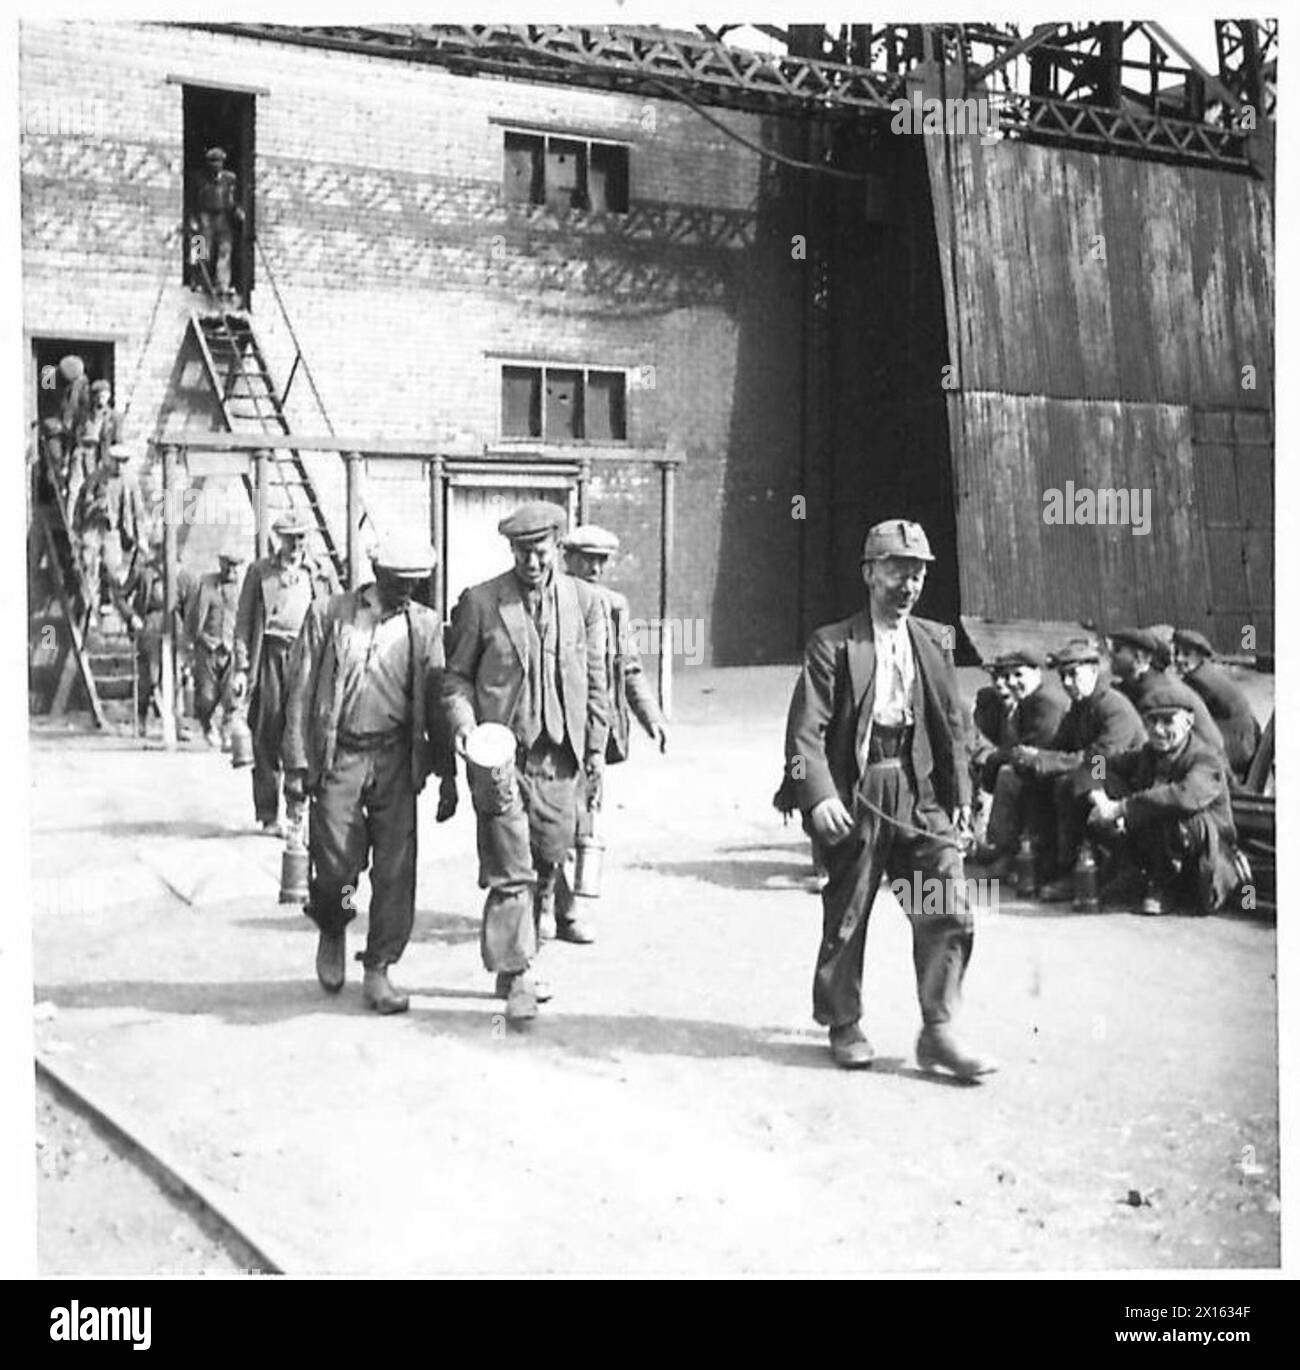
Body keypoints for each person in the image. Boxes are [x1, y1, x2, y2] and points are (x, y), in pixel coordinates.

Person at [783, 518, 993, 1078]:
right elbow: (806, 731)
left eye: (918, 574)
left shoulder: (934, 639)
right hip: (861, 787)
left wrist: (963, 799)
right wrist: (819, 795)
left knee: (944, 902)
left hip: (919, 787)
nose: (908, 586)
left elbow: (953, 723)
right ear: (869, 574)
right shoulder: (833, 644)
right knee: (849, 911)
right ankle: (843, 1020)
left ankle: (940, 1028)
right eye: (897, 572)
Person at [441, 501, 609, 1024]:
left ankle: (521, 953)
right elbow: (454, 679)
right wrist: (464, 725)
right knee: (509, 866)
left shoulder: (584, 602)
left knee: (549, 859)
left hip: (560, 758)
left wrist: (597, 752)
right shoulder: (482, 602)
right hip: (501, 758)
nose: (530, 563)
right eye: (520, 552)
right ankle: (517, 973)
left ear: (558, 547)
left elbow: (596, 680)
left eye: (539, 552)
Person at [282, 535, 449, 1012]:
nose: (404, 592)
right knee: (337, 867)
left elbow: (437, 700)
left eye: (414, 584)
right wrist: (296, 765)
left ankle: (379, 968)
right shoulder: (329, 614)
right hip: (341, 755)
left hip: (395, 758)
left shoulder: (425, 625)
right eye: (397, 581)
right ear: (377, 573)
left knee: (396, 870)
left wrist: (446, 775)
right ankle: (334, 924)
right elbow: (300, 688)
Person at [552, 522, 667, 943]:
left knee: (584, 824)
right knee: (554, 824)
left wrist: (651, 716)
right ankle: (557, 908)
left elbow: (629, 668)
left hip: (594, 733)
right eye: (587, 559)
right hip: (552, 729)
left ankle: (564, 907)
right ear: (567, 559)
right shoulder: (551, 600)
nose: (595, 568)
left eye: (602, 560)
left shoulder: (614, 606)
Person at [1086, 680, 1243, 915]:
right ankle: (1132, 873)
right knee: (1121, 792)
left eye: (1168, 721)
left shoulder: (1206, 758)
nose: (1158, 730)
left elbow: (1185, 796)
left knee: (1172, 812)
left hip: (1208, 858)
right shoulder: (1148, 754)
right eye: (1151, 721)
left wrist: (1121, 808)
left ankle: (1165, 886)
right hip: (1162, 846)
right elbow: (1099, 763)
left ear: (1188, 722)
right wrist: (1098, 794)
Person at [1017, 640, 1147, 901]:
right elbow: (1059, 745)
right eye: (1063, 676)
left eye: (1072, 674)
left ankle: (1078, 866)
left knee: (1069, 783)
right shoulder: (1080, 707)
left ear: (1093, 671)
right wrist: (1037, 758)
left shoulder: (1113, 707)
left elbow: (1101, 758)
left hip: (1127, 782)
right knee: (1038, 777)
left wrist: (1048, 761)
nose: (1066, 682)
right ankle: (1041, 856)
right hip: (1099, 774)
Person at [233, 512, 333, 835]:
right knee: (267, 731)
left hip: (307, 656)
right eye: (289, 538)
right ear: (279, 538)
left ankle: (297, 811)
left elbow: (335, 616)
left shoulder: (319, 573)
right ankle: (267, 815)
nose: (295, 544)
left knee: (301, 733)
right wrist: (241, 667)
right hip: (270, 656)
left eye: (301, 537)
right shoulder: (259, 572)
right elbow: (243, 623)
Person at [972, 650, 1070, 876]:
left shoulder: (1046, 701)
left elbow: (1041, 745)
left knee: (1009, 775)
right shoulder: (1028, 700)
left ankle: (1006, 850)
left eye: (1018, 675)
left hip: (1070, 766)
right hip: (1051, 763)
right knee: (1006, 770)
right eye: (1007, 677)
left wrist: (997, 758)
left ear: (1036, 673)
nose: (1011, 683)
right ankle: (1007, 850)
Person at [1108, 627, 1225, 758]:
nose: (1111, 655)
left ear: (1139, 658)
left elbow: (1147, 737)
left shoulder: (1158, 693)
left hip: (1199, 761)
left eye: (1117, 649)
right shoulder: (1148, 680)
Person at [1171, 629, 1261, 781]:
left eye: (1186, 654)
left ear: (1200, 656)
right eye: (1177, 653)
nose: (1179, 659)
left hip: (1236, 746)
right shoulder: (1207, 671)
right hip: (1247, 738)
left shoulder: (1197, 682)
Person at [72, 439, 146, 620]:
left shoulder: (130, 481)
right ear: (110, 460)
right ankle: (86, 602)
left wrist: (141, 536)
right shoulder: (96, 477)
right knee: (87, 561)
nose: (119, 466)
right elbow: (81, 501)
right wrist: (93, 508)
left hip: (113, 530)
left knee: (112, 566)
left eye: (123, 462)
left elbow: (138, 511)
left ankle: (106, 600)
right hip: (93, 527)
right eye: (116, 461)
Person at [185, 541, 247, 748]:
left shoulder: (242, 588)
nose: (231, 569)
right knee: (206, 695)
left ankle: (227, 732)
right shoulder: (207, 584)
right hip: (208, 647)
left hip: (231, 649)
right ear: (220, 564)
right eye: (227, 564)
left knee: (232, 694)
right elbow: (194, 616)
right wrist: (193, 641)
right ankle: (207, 725)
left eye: (235, 565)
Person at [191, 146, 245, 300]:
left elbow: (234, 199)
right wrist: (192, 219)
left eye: (218, 161)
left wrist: (238, 211)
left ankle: (222, 285)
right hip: (204, 215)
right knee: (199, 247)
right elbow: (192, 200)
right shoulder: (199, 179)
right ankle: (199, 281)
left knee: (225, 249)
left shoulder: (229, 179)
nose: (215, 165)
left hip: (223, 216)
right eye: (212, 162)